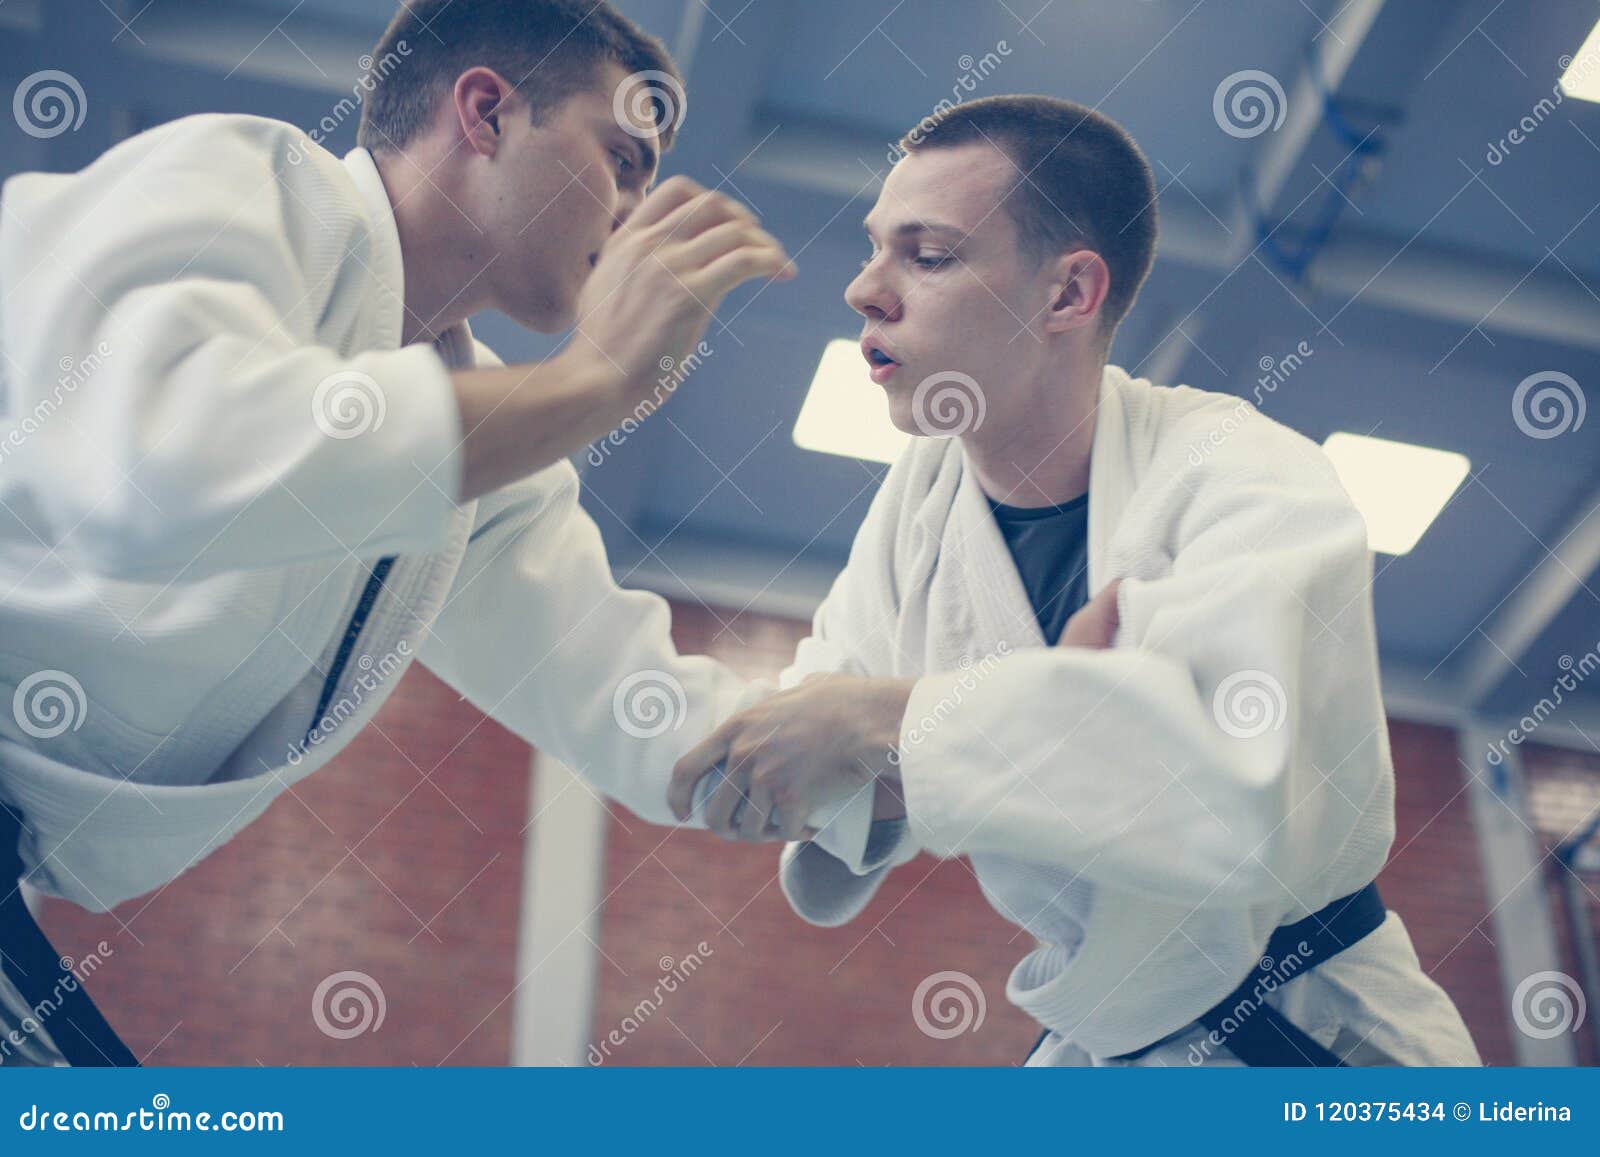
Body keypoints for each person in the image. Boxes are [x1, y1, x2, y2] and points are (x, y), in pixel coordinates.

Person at [0, 0, 806, 1065]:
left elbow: (629, 698)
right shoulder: (245, 176)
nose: (630, 214)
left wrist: (906, 756)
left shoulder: (480, 456)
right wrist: (594, 379)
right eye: (621, 160)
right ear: (485, 113)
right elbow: (159, 461)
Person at [669, 95, 1483, 1067]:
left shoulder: (1246, 473)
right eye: (873, 249)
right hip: (1098, 1047)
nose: (865, 291)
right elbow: (818, 757)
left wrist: (888, 722)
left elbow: (1227, 785)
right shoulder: (918, 509)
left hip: (1315, 1033)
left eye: (928, 256)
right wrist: (1044, 718)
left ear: (1067, 293)